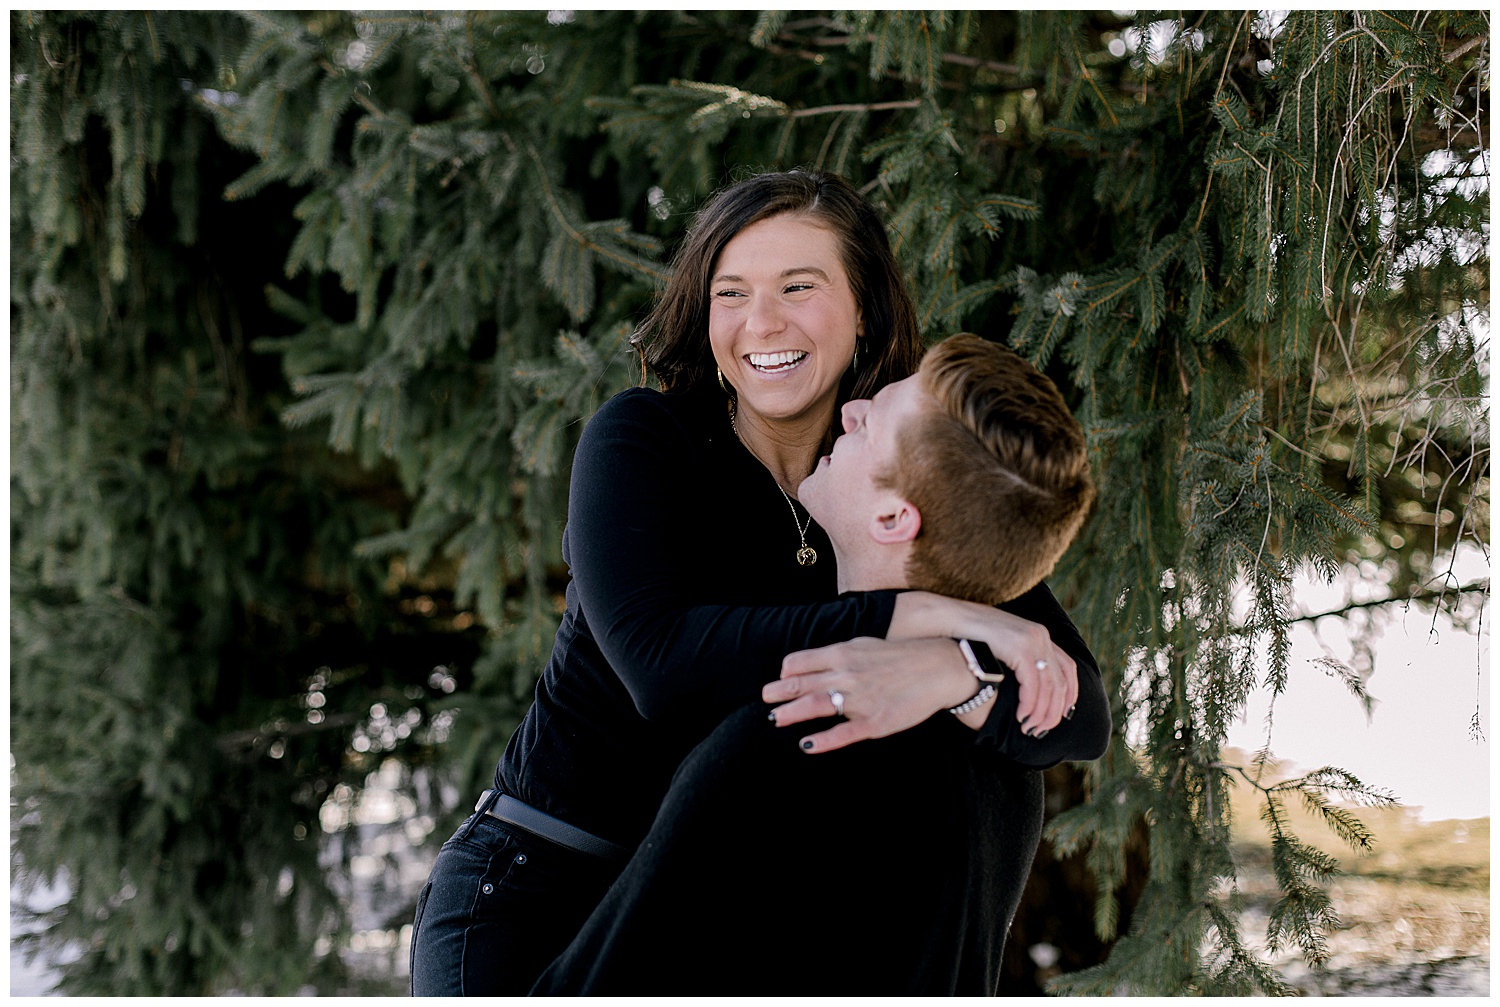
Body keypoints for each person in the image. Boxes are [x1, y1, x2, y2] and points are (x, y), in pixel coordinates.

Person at [408, 172, 1097, 996]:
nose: (761, 322)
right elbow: (661, 669)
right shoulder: (646, 440)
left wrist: (951, 670)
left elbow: (1074, 707)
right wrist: (913, 617)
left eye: (797, 287)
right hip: (534, 886)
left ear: (866, 308)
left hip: (699, 907)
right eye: (730, 292)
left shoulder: (900, 477)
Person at [532, 333, 1108, 995]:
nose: (849, 414)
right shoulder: (1007, 752)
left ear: (894, 515)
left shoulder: (802, 725)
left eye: (874, 420)